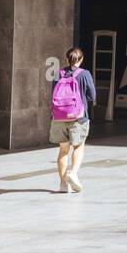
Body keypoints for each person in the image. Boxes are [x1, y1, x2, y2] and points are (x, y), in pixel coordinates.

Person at [49, 47, 95, 193]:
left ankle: (63, 184)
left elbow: (53, 95)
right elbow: (92, 96)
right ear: (81, 60)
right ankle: (73, 174)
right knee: (78, 146)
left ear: (66, 59)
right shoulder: (85, 74)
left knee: (63, 150)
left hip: (59, 117)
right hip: (78, 117)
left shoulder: (58, 74)